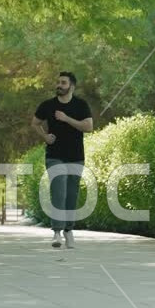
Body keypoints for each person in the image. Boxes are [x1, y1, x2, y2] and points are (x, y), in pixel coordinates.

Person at [31, 71, 93, 248]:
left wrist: (66, 119)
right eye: (58, 82)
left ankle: (68, 231)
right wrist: (44, 136)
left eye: (63, 83)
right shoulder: (48, 105)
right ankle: (57, 233)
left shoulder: (80, 105)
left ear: (71, 86)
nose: (59, 85)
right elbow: (34, 123)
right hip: (54, 155)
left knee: (72, 195)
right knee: (59, 191)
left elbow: (88, 126)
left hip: (76, 157)